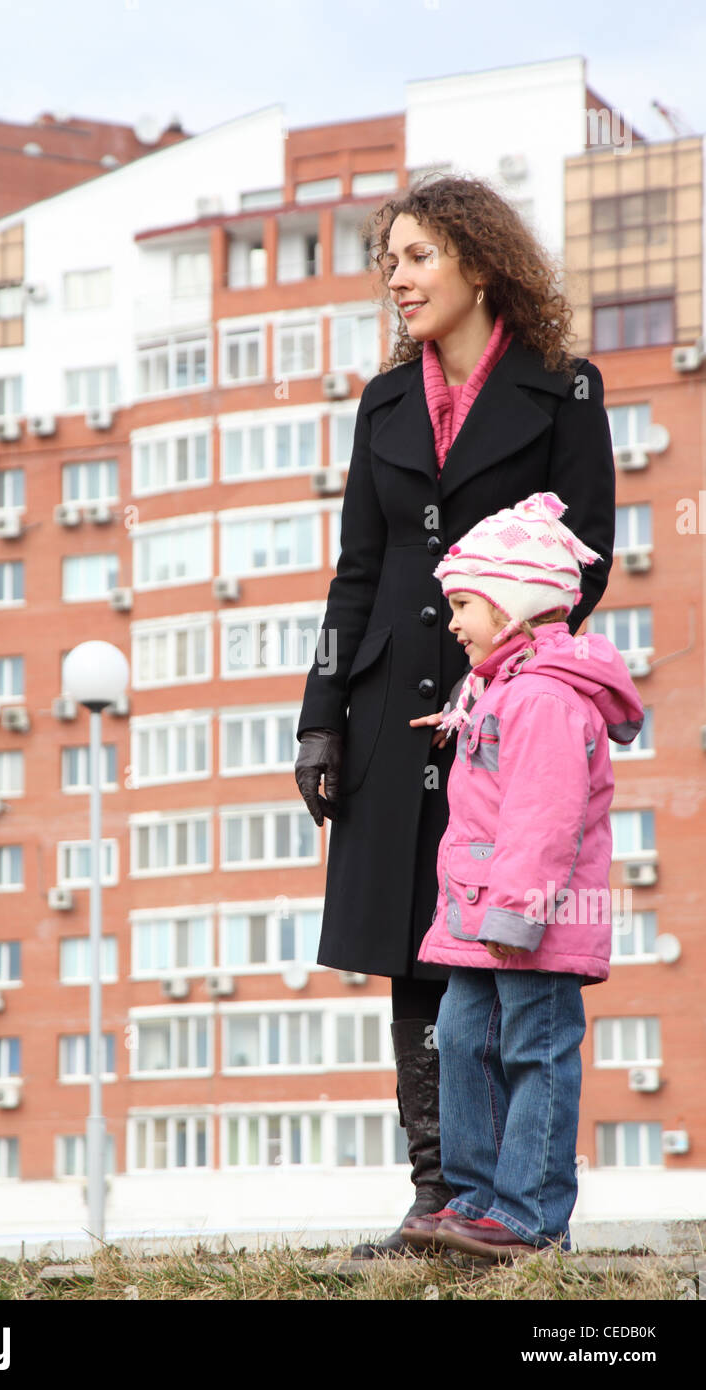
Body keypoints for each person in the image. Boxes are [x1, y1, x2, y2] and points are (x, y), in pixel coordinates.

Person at [294, 175, 616, 1258]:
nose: (396, 277)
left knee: (504, 954)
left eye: (417, 256)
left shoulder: (564, 389)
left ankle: (512, 1206)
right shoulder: (383, 402)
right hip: (390, 710)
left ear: (479, 263)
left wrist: (507, 675)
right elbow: (356, 572)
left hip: (507, 717)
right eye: (387, 260)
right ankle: (437, 1196)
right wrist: (321, 717)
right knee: (412, 946)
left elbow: (584, 559)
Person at [401, 491, 644, 1257]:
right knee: (462, 1041)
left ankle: (529, 1215)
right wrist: (459, 720)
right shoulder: (507, 689)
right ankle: (476, 1198)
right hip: (483, 920)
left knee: (533, 1053)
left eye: (463, 604)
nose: (452, 622)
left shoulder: (541, 698)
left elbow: (544, 817)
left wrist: (518, 912)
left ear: (515, 606)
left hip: (530, 921)